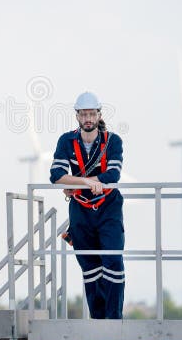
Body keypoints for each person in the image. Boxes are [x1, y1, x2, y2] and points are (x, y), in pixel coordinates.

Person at [49, 91, 125, 319]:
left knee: (113, 261)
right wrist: (86, 183)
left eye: (92, 114)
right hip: (80, 210)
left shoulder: (113, 141)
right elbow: (56, 175)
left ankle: (114, 320)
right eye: (83, 114)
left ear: (99, 115)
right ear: (77, 116)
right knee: (89, 266)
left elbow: (113, 175)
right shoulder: (66, 140)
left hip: (108, 208)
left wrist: (74, 183)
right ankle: (98, 320)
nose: (88, 118)